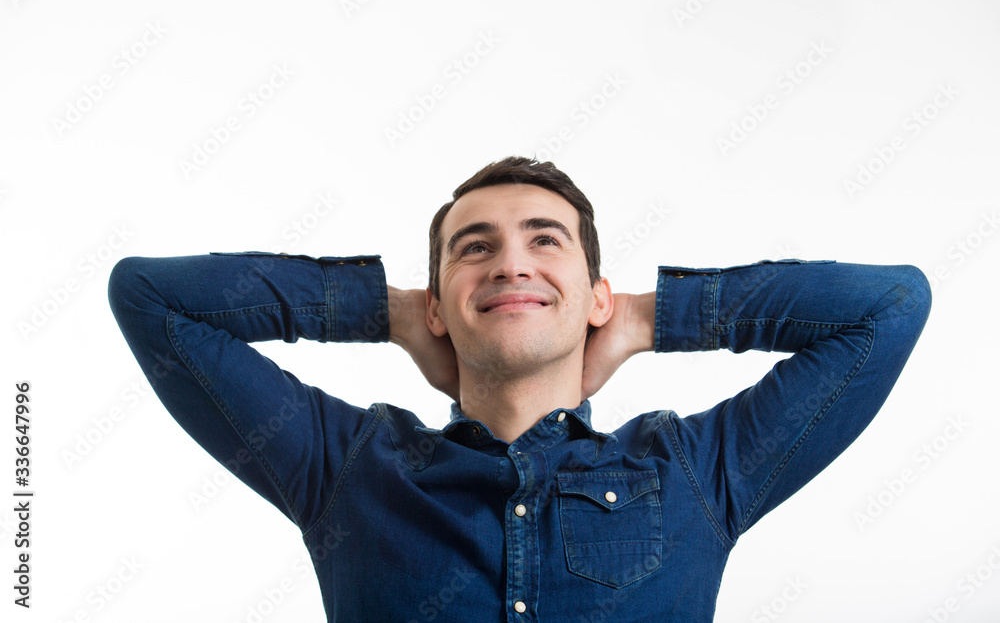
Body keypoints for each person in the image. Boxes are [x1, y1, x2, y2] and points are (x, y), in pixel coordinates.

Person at [108, 156, 931, 622]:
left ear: (594, 292)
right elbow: (149, 297)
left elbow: (890, 308)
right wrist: (391, 313)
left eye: (546, 241)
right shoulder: (350, 469)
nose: (510, 262)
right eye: (475, 248)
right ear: (439, 301)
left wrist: (648, 318)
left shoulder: (692, 472)